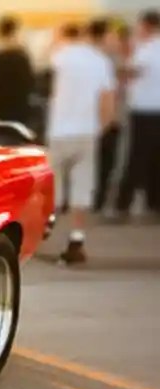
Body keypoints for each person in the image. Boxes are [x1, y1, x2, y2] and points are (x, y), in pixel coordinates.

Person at [46, 23, 117, 264]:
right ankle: (76, 240)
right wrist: (100, 128)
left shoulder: (62, 56)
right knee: (82, 187)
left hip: (58, 131)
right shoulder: (101, 62)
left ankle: (43, 232)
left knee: (53, 187)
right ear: (101, 37)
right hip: (86, 132)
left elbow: (47, 82)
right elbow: (108, 101)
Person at [113, 10, 160, 221]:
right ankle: (154, 203)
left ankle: (122, 205)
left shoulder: (147, 49)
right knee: (156, 158)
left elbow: (129, 71)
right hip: (156, 109)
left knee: (136, 157)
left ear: (147, 26)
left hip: (143, 110)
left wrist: (119, 65)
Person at [89, 18, 126, 213]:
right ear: (102, 36)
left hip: (106, 118)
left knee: (104, 162)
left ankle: (97, 200)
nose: (116, 39)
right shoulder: (104, 60)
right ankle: (95, 200)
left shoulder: (109, 58)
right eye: (112, 35)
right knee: (102, 162)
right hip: (103, 119)